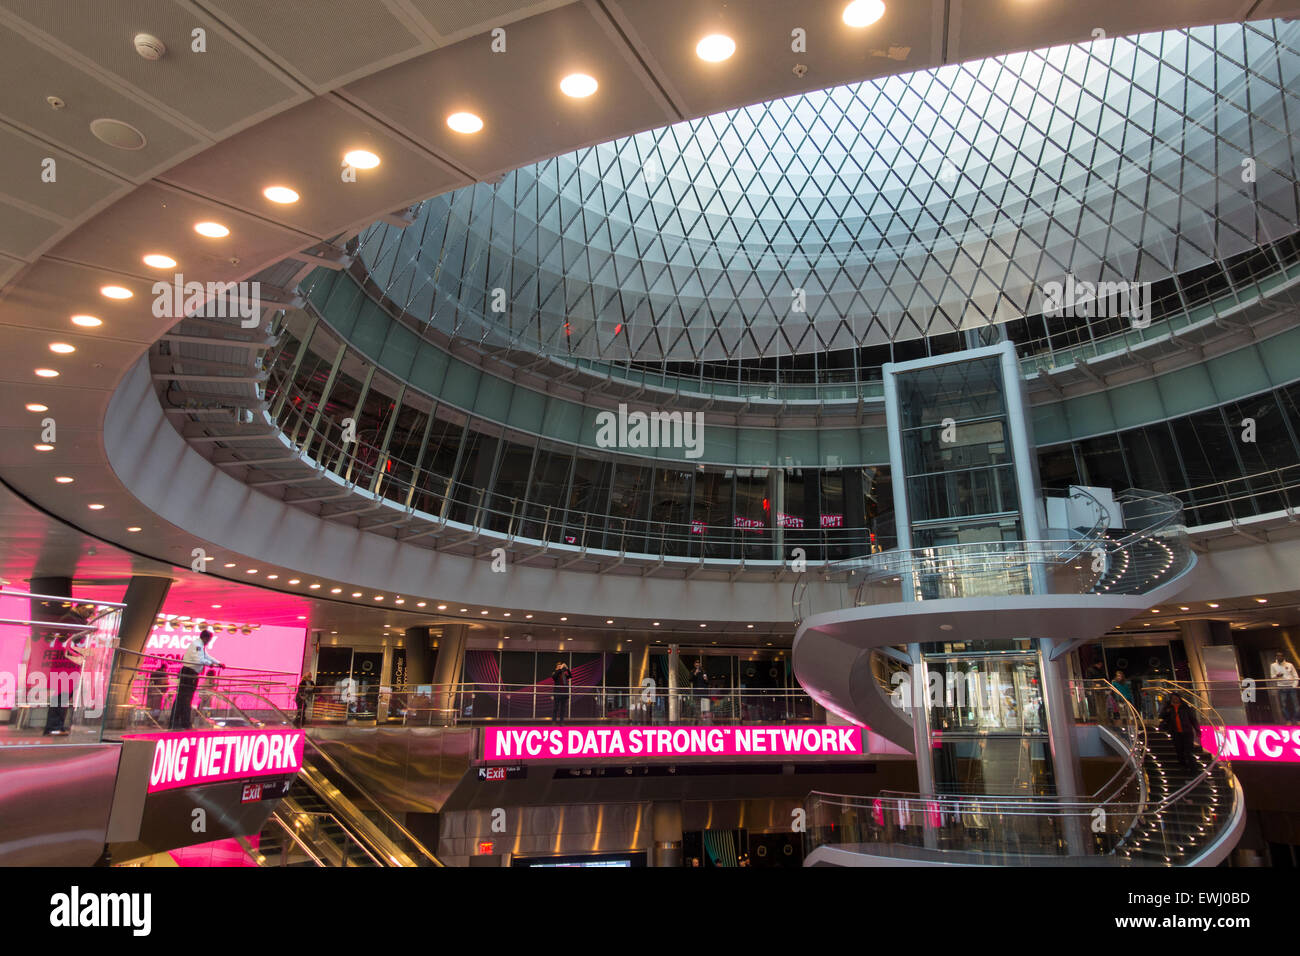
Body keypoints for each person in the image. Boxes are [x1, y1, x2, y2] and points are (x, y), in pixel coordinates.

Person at [170, 630, 222, 729]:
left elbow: (206, 656)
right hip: (189, 673)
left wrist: (218, 662)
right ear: (206, 638)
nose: (209, 642)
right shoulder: (197, 645)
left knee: (183, 698)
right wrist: (209, 664)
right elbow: (199, 659)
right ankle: (183, 723)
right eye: (209, 639)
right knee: (185, 699)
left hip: (189, 673)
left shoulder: (199, 645)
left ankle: (177, 722)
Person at [1158, 693, 1200, 771]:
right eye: (1173, 698)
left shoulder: (1185, 707)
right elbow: (1161, 716)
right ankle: (1183, 765)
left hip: (1186, 731)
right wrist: (1167, 710)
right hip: (1176, 732)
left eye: (1176, 698)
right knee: (1179, 750)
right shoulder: (1169, 708)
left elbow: (1193, 719)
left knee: (1188, 751)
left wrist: (1197, 730)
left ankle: (1193, 767)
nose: (1175, 699)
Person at [1270, 652, 1300, 724]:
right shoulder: (1273, 665)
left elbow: (1296, 676)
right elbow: (1272, 676)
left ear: (1283, 657)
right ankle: (1288, 720)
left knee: (1296, 704)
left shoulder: (1289, 665)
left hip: (1291, 686)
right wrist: (1277, 675)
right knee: (1284, 705)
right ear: (1276, 657)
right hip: (1281, 686)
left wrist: (1294, 685)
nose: (1279, 657)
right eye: (1277, 656)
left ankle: (1297, 719)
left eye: (1280, 656)